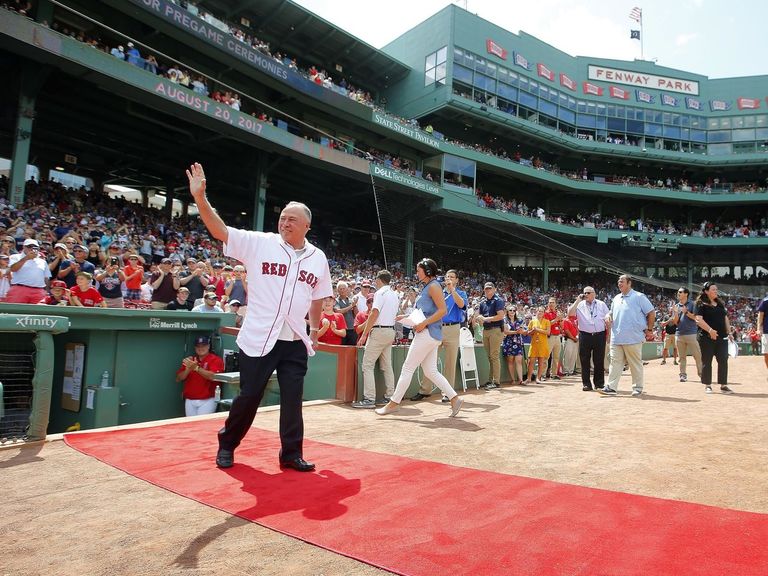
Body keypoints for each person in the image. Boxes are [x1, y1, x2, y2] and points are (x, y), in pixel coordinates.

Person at [187, 162, 332, 472]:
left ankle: (291, 454)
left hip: (294, 338)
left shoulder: (318, 257)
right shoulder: (260, 243)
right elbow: (221, 231)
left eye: (292, 219)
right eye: (282, 218)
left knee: (292, 398)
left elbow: (318, 296)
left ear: (307, 226)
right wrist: (200, 198)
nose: (285, 223)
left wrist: (314, 330)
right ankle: (227, 443)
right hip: (260, 335)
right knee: (250, 395)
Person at [375, 258, 463, 418]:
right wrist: (407, 317)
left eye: (418, 270)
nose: (417, 273)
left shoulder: (434, 286)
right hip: (431, 333)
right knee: (431, 371)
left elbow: (442, 310)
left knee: (408, 368)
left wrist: (423, 323)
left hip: (427, 333)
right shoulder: (429, 286)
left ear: (427, 271)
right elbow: (426, 312)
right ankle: (454, 399)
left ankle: (393, 403)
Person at [410, 269, 467, 401]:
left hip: (453, 328)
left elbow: (461, 304)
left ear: (457, 280)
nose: (449, 279)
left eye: (452, 277)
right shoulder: (438, 292)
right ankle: (425, 390)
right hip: (437, 327)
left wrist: (452, 290)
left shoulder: (461, 293)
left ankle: (448, 393)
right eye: (447, 277)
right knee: (429, 359)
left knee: (450, 362)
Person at [600, 275, 655, 397]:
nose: (619, 283)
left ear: (629, 283)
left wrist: (650, 329)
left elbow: (651, 313)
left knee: (635, 363)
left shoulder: (639, 297)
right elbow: (611, 312)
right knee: (615, 363)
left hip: (633, 337)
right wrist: (608, 316)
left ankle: (637, 388)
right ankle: (611, 387)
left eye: (622, 281)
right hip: (617, 338)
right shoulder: (616, 298)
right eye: (618, 281)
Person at [353, 269, 399, 408]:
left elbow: (374, 313)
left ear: (379, 280)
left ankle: (369, 399)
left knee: (367, 365)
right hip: (390, 331)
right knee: (387, 366)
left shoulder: (379, 293)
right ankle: (390, 396)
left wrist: (365, 334)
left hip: (379, 331)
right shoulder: (395, 294)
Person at [694, 282, 733, 394]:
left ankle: (723, 385)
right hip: (706, 337)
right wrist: (710, 330)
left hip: (722, 337)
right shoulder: (700, 304)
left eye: (716, 289)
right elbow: (698, 320)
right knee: (707, 361)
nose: (716, 291)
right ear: (706, 291)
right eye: (713, 289)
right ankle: (708, 385)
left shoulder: (720, 303)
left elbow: (725, 318)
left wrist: (729, 332)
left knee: (723, 360)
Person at [568, 287, 610, 391]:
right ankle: (586, 384)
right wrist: (578, 300)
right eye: (584, 293)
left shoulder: (601, 304)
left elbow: (608, 319)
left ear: (594, 294)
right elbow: (570, 313)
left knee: (599, 360)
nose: (586, 294)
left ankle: (599, 383)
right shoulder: (580, 304)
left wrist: (609, 334)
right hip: (585, 335)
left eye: (588, 293)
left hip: (599, 335)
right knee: (584, 360)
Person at [175, 335, 224, 416]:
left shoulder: (215, 360)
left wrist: (196, 368)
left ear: (208, 346)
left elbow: (213, 376)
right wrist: (188, 370)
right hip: (190, 399)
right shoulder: (190, 360)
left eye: (203, 345)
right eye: (198, 346)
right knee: (191, 423)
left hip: (208, 399)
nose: (200, 348)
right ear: (195, 348)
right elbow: (178, 378)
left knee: (203, 423)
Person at [476, 281, 505, 389]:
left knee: (494, 356)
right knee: (490, 357)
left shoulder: (498, 300)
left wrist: (485, 319)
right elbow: (480, 316)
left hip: (495, 329)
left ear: (494, 289)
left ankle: (496, 382)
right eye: (486, 289)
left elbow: (500, 316)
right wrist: (479, 318)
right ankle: (490, 380)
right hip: (486, 330)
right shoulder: (483, 302)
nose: (488, 290)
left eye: (490, 288)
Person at [6, 239, 51, 303]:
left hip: (39, 291)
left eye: (35, 247)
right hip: (19, 289)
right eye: (29, 246)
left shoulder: (42, 261)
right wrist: (26, 258)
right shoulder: (15, 257)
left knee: (39, 309)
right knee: (15, 309)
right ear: (24, 247)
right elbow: (13, 269)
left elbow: (46, 277)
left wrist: (47, 291)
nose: (32, 248)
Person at [673, 287, 702, 382]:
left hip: (691, 334)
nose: (678, 293)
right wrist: (676, 313)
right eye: (678, 292)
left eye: (680, 292)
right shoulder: (676, 306)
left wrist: (686, 312)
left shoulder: (693, 304)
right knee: (681, 358)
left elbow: (696, 318)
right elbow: (675, 322)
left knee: (697, 355)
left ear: (686, 294)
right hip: (679, 334)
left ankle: (701, 374)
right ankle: (682, 375)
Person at [524, 306, 550, 385]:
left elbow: (548, 332)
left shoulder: (547, 321)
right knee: (531, 361)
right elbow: (528, 333)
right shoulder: (532, 321)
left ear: (544, 313)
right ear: (536, 312)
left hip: (543, 343)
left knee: (541, 362)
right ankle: (528, 378)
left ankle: (538, 378)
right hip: (534, 343)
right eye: (539, 311)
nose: (540, 313)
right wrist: (533, 330)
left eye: (542, 311)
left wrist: (537, 329)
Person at [501, 306, 525, 386]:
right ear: (507, 311)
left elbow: (522, 331)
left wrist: (522, 331)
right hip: (508, 342)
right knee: (510, 361)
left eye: (514, 310)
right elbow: (506, 332)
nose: (512, 311)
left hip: (518, 342)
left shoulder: (519, 320)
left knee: (519, 361)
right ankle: (513, 379)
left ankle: (521, 380)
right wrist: (516, 332)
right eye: (510, 310)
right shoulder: (505, 320)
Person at [543, 297, 563, 380]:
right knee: (546, 356)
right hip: (550, 336)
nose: (551, 304)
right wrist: (557, 319)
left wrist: (560, 320)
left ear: (555, 304)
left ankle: (554, 374)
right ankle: (542, 374)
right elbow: (547, 324)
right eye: (550, 302)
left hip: (557, 336)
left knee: (556, 357)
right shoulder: (546, 313)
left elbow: (562, 326)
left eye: (552, 302)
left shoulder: (557, 313)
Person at [334, 281, 358, 345]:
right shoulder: (335, 301)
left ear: (347, 289)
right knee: (341, 348)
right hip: (341, 329)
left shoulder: (351, 300)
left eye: (343, 288)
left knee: (352, 348)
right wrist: (351, 306)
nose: (342, 290)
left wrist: (354, 306)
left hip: (351, 328)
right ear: (338, 290)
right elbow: (338, 311)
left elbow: (356, 314)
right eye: (340, 289)